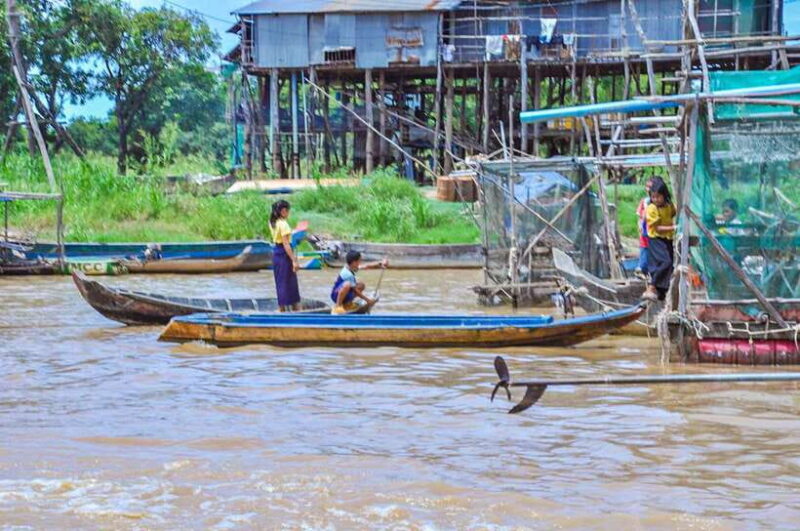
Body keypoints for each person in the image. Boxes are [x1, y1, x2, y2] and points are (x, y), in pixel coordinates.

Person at [641, 179, 676, 302]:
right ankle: (652, 286)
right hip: (656, 239)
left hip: (667, 239)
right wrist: (674, 228)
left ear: (664, 195)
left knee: (670, 265)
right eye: (653, 197)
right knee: (665, 262)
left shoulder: (669, 206)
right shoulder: (651, 208)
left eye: (658, 197)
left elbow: (674, 213)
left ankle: (662, 292)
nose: (656, 199)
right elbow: (657, 228)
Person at [269, 200, 301, 312]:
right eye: (288, 211)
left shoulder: (273, 222)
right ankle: (294, 308)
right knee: (290, 282)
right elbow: (286, 244)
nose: (288, 213)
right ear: (283, 211)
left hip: (277, 252)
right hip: (284, 253)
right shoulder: (284, 224)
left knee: (281, 281)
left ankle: (282, 307)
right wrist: (294, 260)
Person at [635, 178, 655, 278]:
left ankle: (646, 269)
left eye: (650, 187)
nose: (648, 189)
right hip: (645, 230)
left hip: (654, 230)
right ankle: (642, 269)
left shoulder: (658, 202)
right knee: (644, 248)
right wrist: (640, 226)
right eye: (647, 187)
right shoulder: (644, 201)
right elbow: (640, 217)